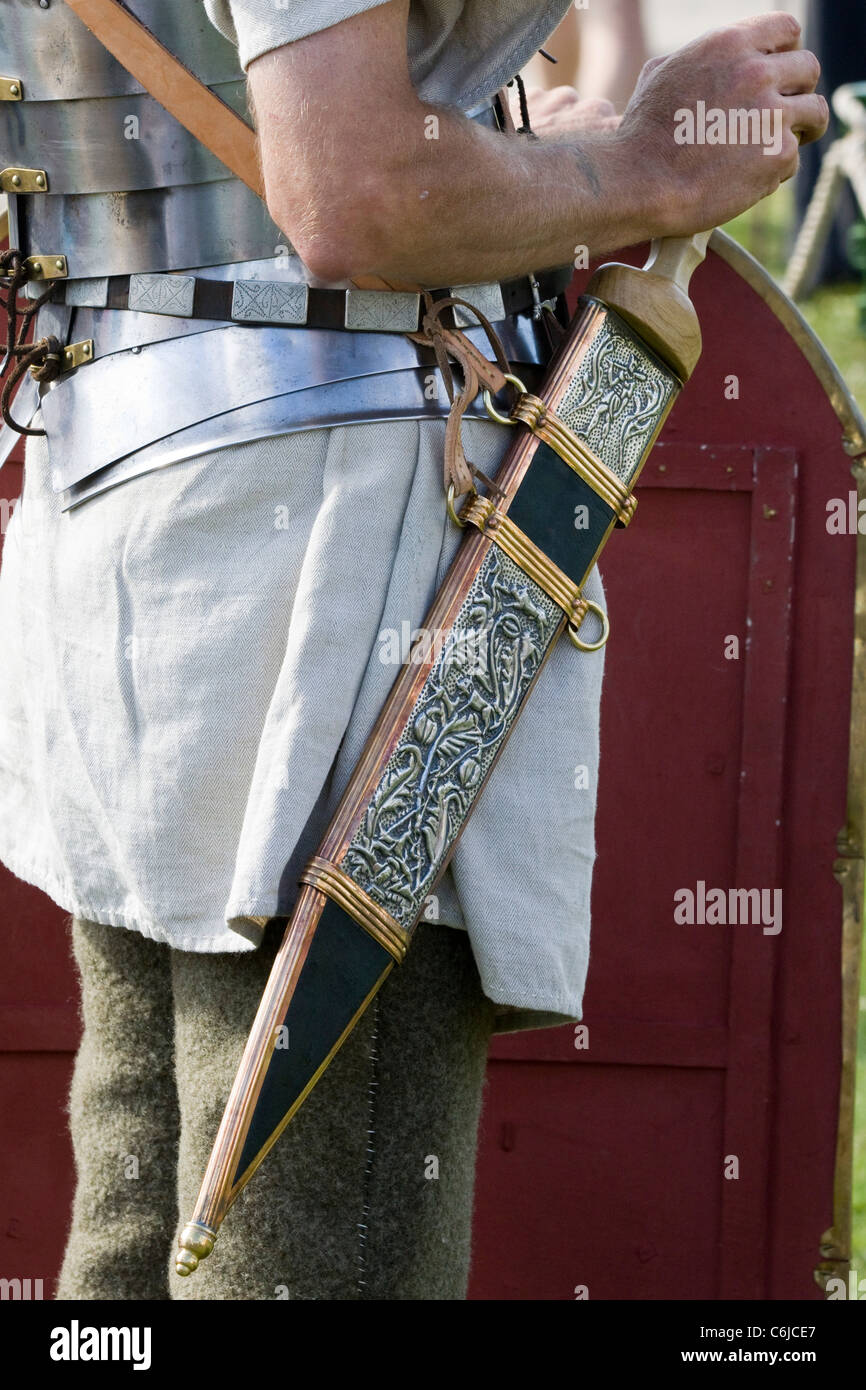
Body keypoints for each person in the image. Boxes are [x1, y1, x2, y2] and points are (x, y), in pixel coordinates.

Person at [0, 2, 826, 1300]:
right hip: (324, 565)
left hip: (139, 494)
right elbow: (358, 194)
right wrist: (648, 162)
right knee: (311, 1244)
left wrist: (514, 157)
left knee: (145, 1228)